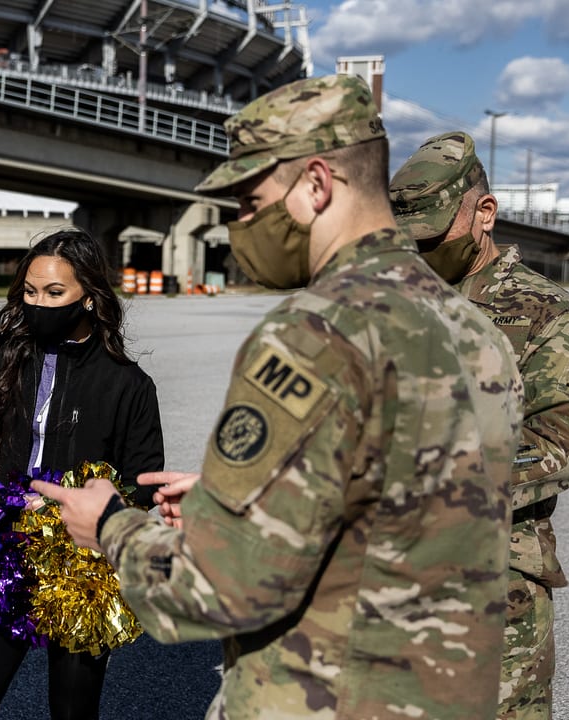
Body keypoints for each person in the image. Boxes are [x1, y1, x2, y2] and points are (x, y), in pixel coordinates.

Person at [32, 75, 525, 719]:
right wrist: (241, 497)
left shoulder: (315, 334)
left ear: (316, 184)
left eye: (249, 202)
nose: (239, 224)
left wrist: (110, 527)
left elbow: (223, 586)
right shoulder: (474, 330)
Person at [389, 131, 569, 720]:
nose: (418, 251)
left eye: (431, 235)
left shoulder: (550, 316)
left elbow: (557, 447)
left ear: (485, 212)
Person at [0, 229, 165, 720]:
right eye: (30, 291)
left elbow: (142, 480)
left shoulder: (128, 383)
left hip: (84, 566)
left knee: (73, 709)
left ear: (89, 296)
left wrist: (95, 515)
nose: (38, 303)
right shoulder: (3, 361)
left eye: (54, 292)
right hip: (9, 549)